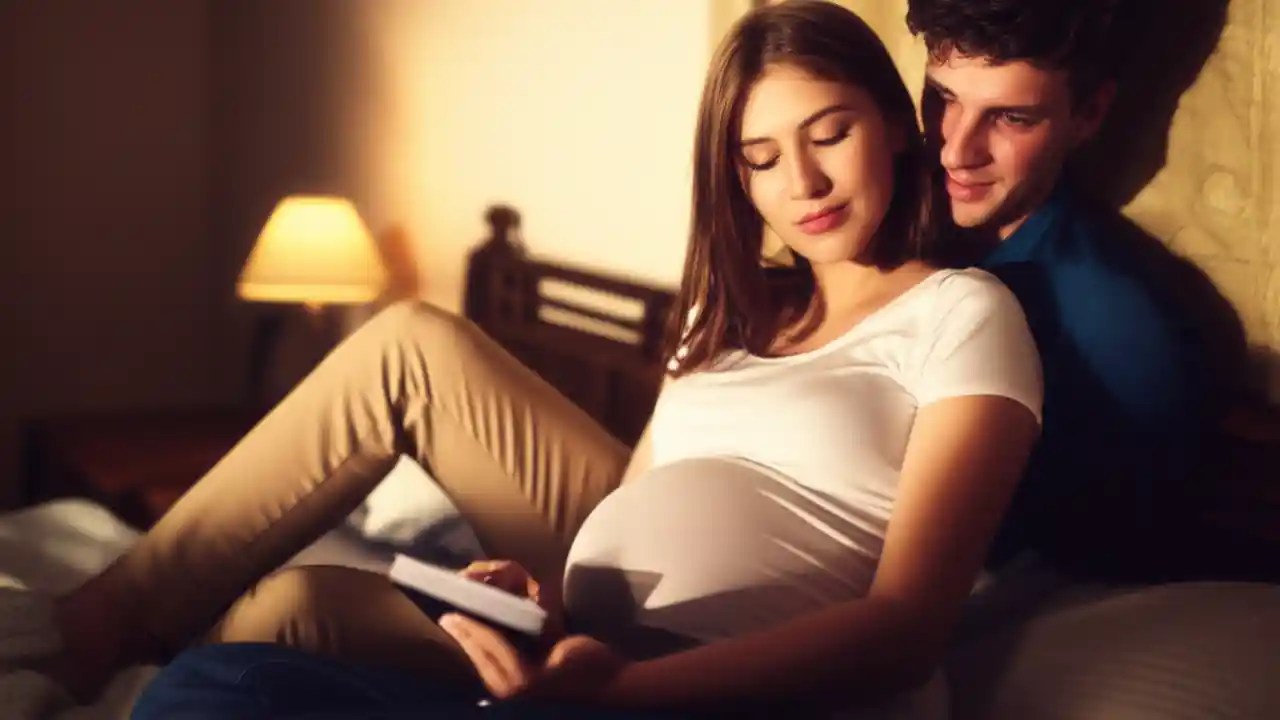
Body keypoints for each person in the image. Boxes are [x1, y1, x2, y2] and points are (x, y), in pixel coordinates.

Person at [34, 2, 1042, 717]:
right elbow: (638, 499)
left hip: (689, 678)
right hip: (580, 641)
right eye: (761, 157)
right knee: (279, 607)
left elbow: (907, 627)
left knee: (228, 682)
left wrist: (623, 688)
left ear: (897, 133)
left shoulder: (959, 313)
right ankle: (111, 621)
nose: (803, 181)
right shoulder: (730, 312)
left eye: (830, 134)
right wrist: (534, 600)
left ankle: (96, 628)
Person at [905, 0, 1217, 581]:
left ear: (1089, 114)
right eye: (944, 98)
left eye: (1011, 118)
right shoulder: (876, 228)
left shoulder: (1119, 335)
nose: (955, 150)